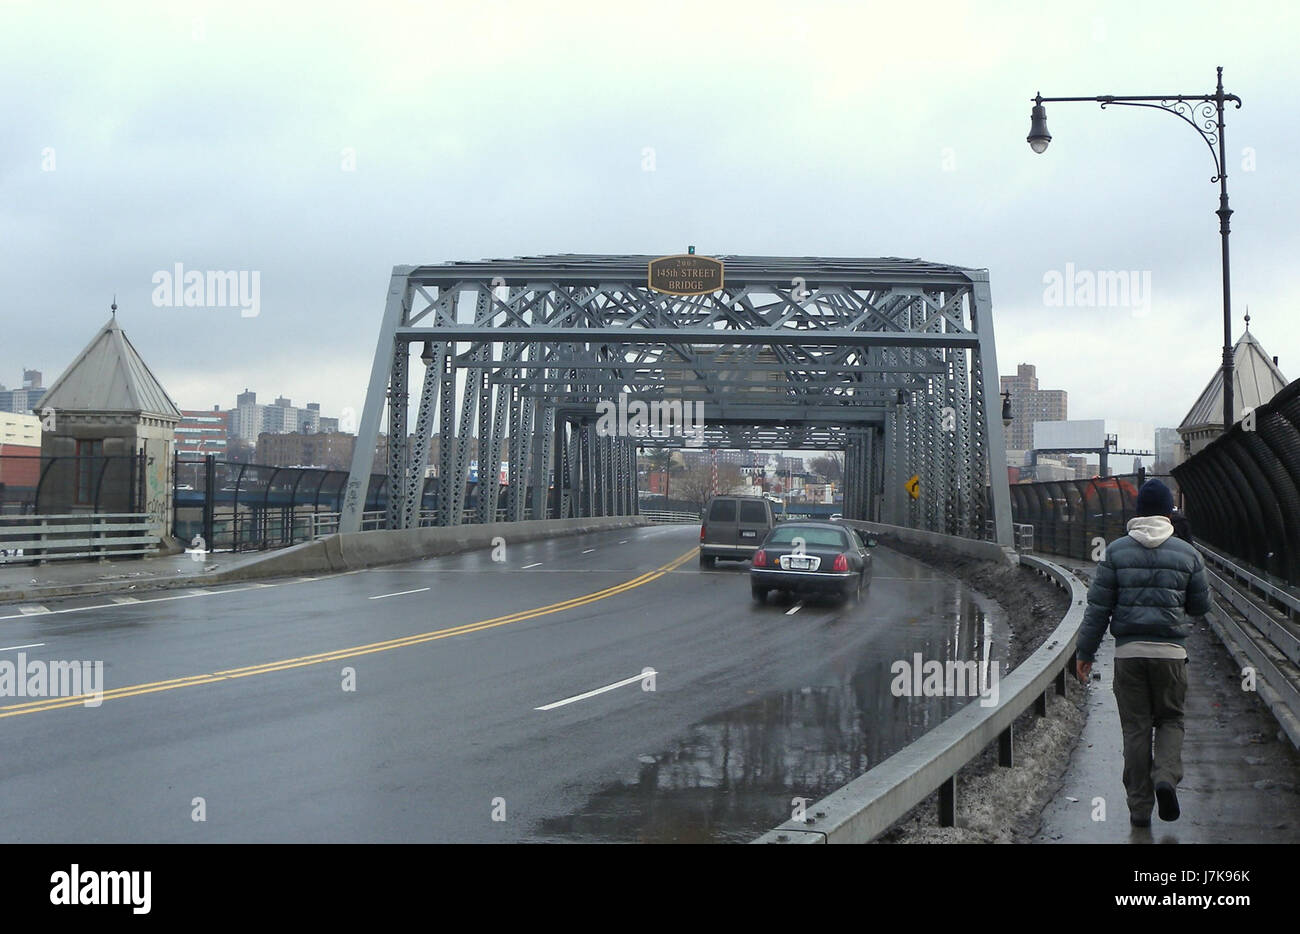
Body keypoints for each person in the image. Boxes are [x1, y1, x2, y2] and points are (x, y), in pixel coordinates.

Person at [1075, 479, 1211, 827]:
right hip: (1170, 655)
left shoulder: (1116, 552)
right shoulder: (1188, 554)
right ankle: (1165, 777)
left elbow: (1097, 610)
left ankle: (1139, 809)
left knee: (1136, 729)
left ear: (1136, 514)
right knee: (1170, 719)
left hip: (1129, 654)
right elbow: (1200, 606)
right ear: (1169, 513)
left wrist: (1085, 653)